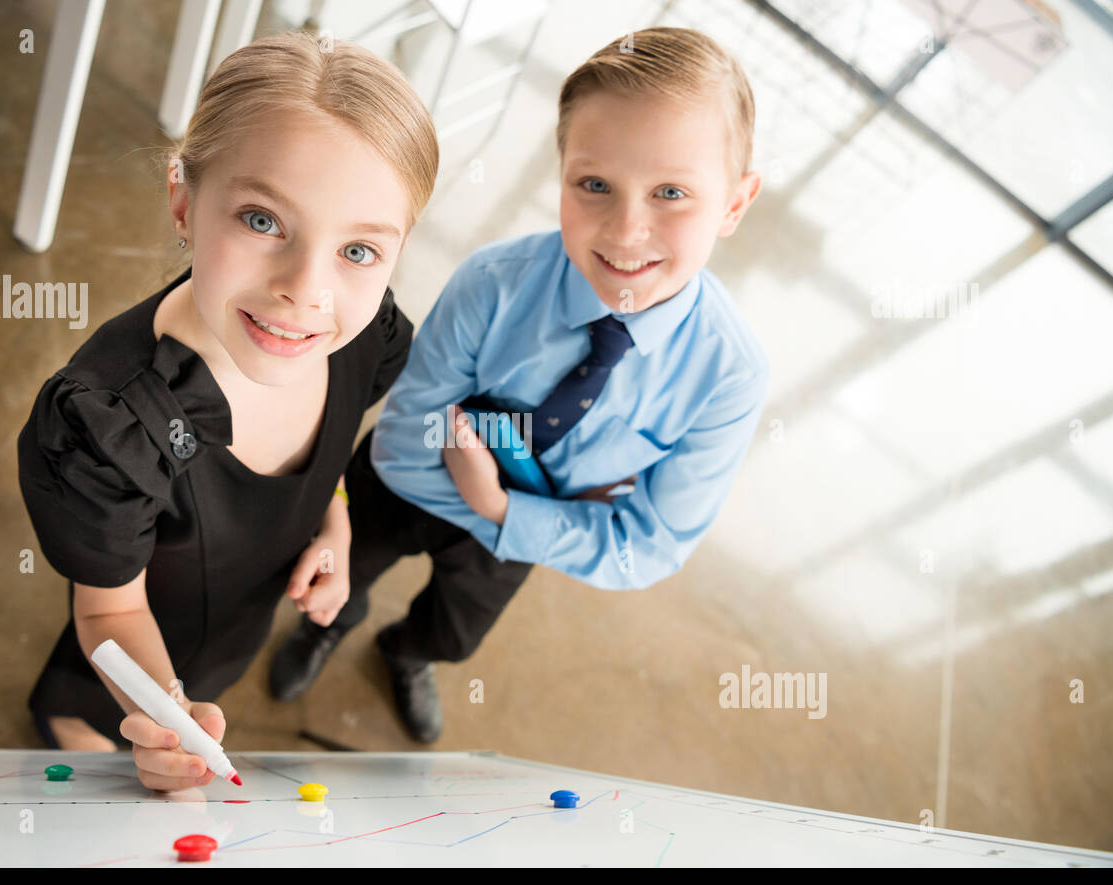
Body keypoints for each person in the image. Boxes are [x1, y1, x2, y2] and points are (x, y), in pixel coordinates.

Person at [268, 26, 769, 744]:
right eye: (594, 185)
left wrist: (498, 506)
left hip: (518, 527)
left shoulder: (729, 375)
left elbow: (651, 545)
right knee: (342, 565)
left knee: (453, 633)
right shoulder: (494, 284)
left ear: (734, 203)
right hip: (416, 488)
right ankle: (329, 626)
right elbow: (410, 440)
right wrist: (552, 506)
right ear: (559, 173)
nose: (627, 231)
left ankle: (405, 654)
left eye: (671, 193)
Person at [17, 30, 437, 791]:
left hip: (245, 605)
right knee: (93, 707)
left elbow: (335, 450)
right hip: (135, 628)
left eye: (359, 251)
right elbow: (109, 617)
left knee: (217, 661)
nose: (306, 290)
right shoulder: (112, 428)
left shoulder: (354, 334)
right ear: (183, 198)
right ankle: (70, 718)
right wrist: (167, 715)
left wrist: (334, 519)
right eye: (264, 220)